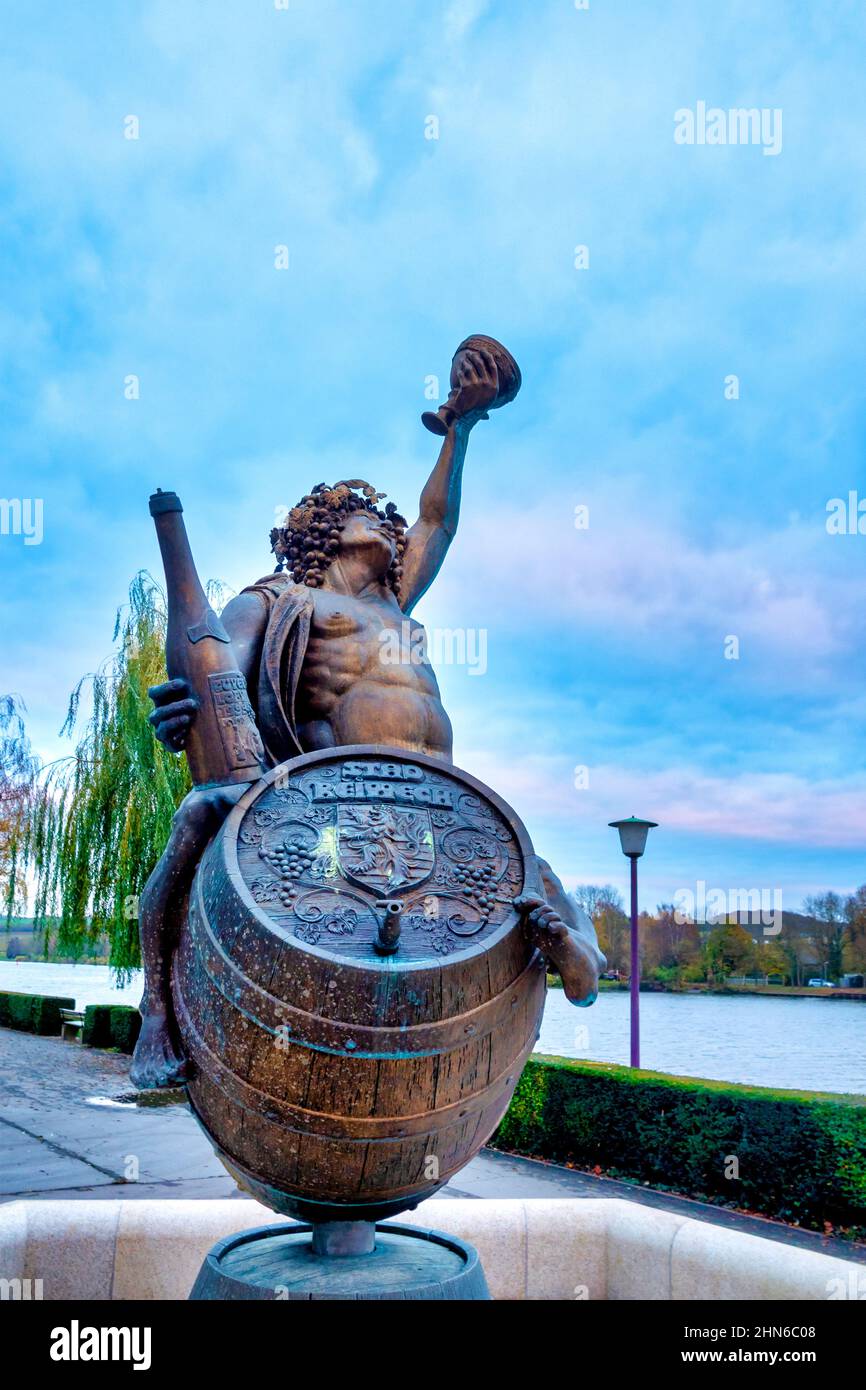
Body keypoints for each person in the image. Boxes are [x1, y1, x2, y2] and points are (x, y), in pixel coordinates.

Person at [131, 345, 604, 1088]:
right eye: (365, 515)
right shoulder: (278, 600)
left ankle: (585, 957)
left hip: (433, 791)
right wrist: (180, 713)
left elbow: (437, 520)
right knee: (198, 815)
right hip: (323, 790)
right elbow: (214, 672)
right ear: (323, 531)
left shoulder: (396, 606)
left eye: (388, 519)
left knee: (532, 866)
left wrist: (463, 427)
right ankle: (155, 1009)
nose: (387, 525)